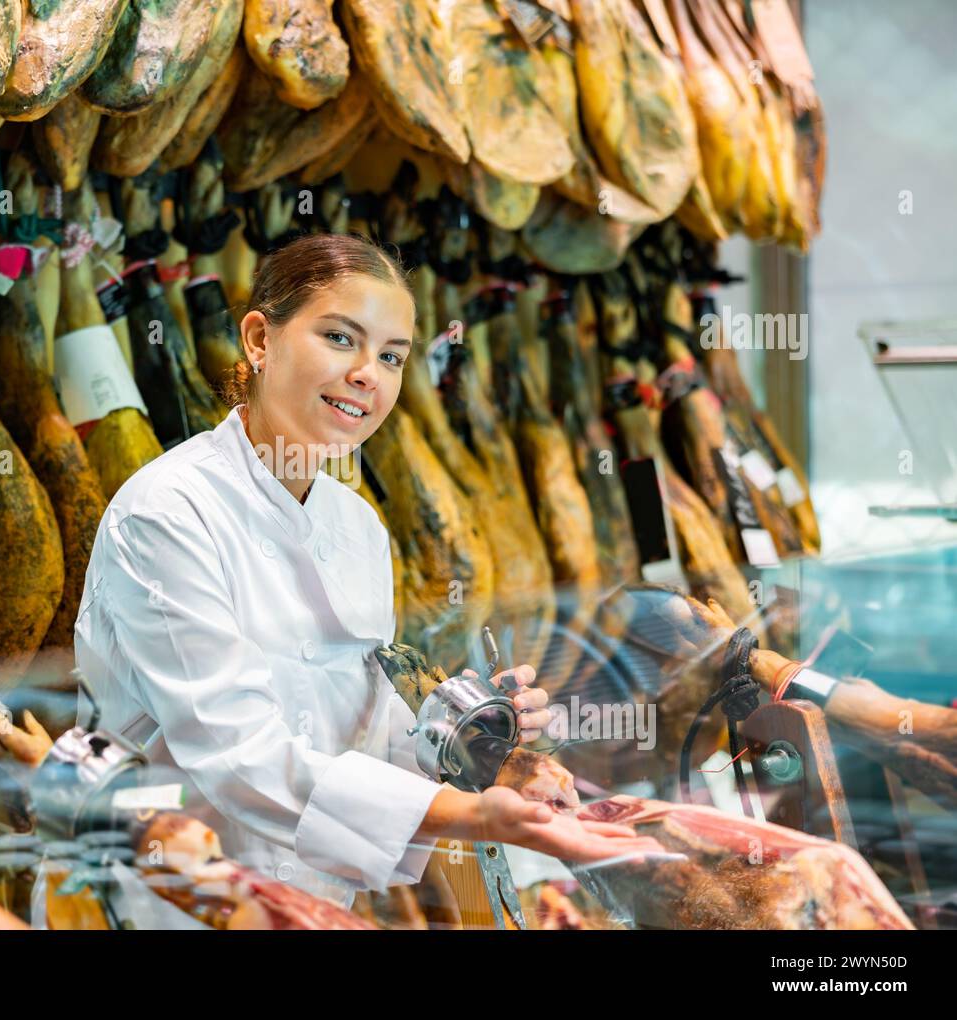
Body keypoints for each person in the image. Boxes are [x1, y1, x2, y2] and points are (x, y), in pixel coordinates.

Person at [73, 233, 661, 906]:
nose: (367, 375)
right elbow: (239, 758)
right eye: (340, 339)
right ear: (260, 340)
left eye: (390, 357)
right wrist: (465, 816)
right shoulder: (168, 513)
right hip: (164, 905)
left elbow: (363, 735)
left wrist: (480, 752)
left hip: (311, 908)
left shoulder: (358, 528)